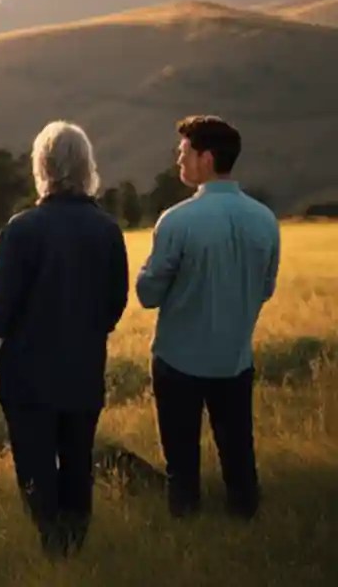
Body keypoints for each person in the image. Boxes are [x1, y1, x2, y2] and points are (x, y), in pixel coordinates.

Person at [0, 122, 128, 558]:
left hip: (27, 376)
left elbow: (0, 309)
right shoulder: (107, 229)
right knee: (78, 460)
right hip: (83, 369)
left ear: (41, 167)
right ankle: (76, 544)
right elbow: (115, 303)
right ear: (86, 166)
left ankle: (51, 543)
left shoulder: (21, 229)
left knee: (34, 463)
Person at [136, 116, 280, 521]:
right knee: (238, 451)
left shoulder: (177, 220)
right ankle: (245, 519)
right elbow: (266, 289)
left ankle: (186, 525)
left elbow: (148, 295)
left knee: (181, 463)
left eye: (184, 152)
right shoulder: (266, 220)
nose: (178, 160)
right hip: (236, 358)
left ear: (206, 158)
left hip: (178, 359)